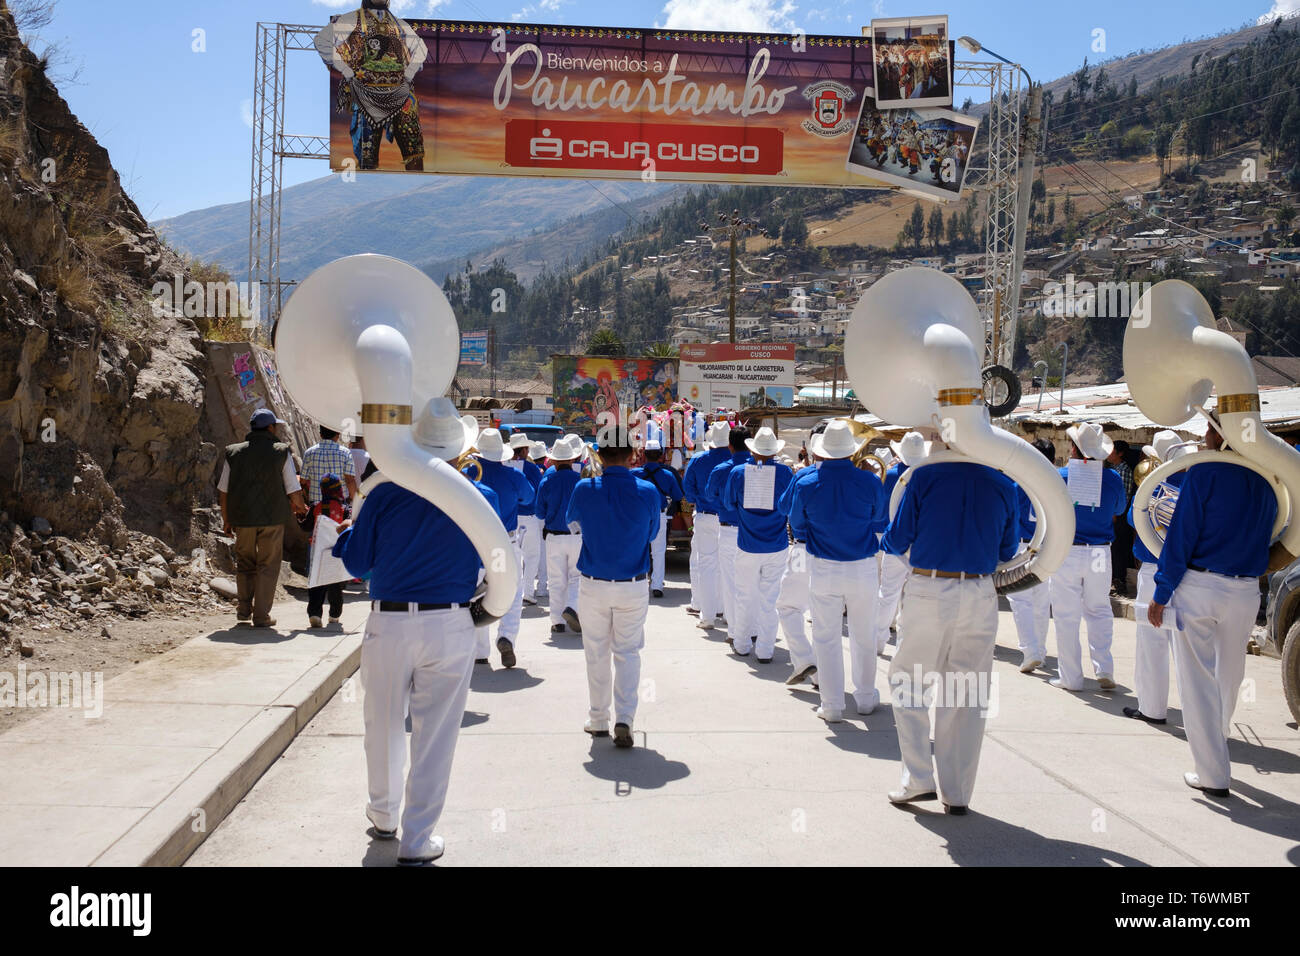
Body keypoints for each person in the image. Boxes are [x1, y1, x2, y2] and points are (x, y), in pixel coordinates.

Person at [332, 397, 502, 864]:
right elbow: (501, 566)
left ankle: (383, 814)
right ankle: (417, 838)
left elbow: (355, 563)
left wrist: (350, 527)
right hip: (450, 621)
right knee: (435, 735)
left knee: (382, 723)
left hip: (388, 620)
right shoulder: (481, 498)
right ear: (459, 450)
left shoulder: (384, 493)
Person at [882, 432, 1019, 814]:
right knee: (968, 690)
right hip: (979, 591)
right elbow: (1008, 549)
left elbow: (898, 538)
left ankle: (918, 777)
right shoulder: (1003, 481)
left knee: (909, 682)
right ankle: (956, 792)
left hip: (930, 585)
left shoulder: (923, 477)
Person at [1147, 412, 1276, 797]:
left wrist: (1161, 591)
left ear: (1221, 436)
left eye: (1209, 429)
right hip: (1245, 589)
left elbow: (1181, 537)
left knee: (1197, 680)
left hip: (1201, 585)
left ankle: (1213, 773)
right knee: (1230, 673)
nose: (1203, 435)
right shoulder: (1269, 481)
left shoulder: (1203, 474)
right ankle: (1217, 740)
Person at [783, 420, 887, 719]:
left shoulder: (805, 482)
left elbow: (798, 526)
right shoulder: (869, 481)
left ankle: (831, 705)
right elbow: (879, 517)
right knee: (863, 633)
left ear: (822, 452)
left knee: (826, 637)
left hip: (824, 568)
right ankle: (866, 697)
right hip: (863, 567)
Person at [565, 432, 662, 748]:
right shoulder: (648, 491)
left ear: (600, 455)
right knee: (628, 653)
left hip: (594, 583)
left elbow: (572, 524)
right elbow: (651, 533)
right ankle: (625, 719)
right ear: (633, 453)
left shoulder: (583, 488)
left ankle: (598, 719)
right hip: (632, 585)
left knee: (595, 652)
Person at [1049, 423, 1127, 692]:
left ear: (1073, 448)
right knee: (1100, 610)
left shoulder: (1059, 475)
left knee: (1065, 615)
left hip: (1067, 550)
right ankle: (1104, 668)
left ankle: (1070, 677)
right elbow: (1119, 510)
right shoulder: (1114, 479)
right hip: (1100, 551)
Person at [1123, 431, 1194, 725]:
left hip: (1154, 570)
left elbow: (1131, 520)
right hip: (1190, 576)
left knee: (1152, 641)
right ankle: (1196, 716)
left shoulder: (1153, 487)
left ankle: (1152, 708)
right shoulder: (1194, 487)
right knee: (1187, 649)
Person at [218, 408, 308, 628]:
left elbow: (224, 490)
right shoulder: (281, 451)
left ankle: (243, 610)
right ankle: (261, 615)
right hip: (272, 519)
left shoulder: (233, 452)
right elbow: (292, 488)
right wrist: (300, 508)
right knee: (268, 565)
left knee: (245, 563)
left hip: (243, 518)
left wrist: (226, 519)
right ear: (270, 428)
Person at [464, 428, 535, 668]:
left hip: (476, 543)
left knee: (475, 593)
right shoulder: (514, 475)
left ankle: (480, 651)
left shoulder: (466, 473)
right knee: (514, 592)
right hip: (508, 541)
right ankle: (506, 637)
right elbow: (528, 498)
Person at [722, 427, 795, 661]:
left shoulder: (738, 472)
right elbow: (790, 507)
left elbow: (728, 503)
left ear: (753, 451)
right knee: (769, 599)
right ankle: (765, 650)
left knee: (744, 596)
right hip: (777, 545)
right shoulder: (786, 473)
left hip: (747, 544)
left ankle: (742, 644)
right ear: (775, 451)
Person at [1007, 438, 1058, 674]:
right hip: (1048, 546)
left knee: (1020, 601)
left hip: (1023, 547)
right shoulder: (1057, 483)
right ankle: (1041, 651)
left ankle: (1030, 651)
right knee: (1040, 601)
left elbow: (1010, 517)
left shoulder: (1019, 484)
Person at [875, 431, 929, 655]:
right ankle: (905, 646)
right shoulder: (928, 477)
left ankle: (877, 641)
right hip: (920, 546)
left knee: (887, 595)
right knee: (914, 599)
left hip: (894, 543)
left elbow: (878, 510)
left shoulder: (886, 475)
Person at [682, 422, 732, 630]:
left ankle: (707, 615)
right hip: (730, 519)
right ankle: (728, 614)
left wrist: (700, 499)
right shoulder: (735, 461)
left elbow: (688, 490)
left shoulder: (697, 460)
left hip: (704, 516)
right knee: (728, 569)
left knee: (706, 566)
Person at [706, 426, 752, 637]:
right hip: (754, 531)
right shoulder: (764, 469)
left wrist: (724, 507)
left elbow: (709, 495)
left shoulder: (721, 469)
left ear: (730, 446)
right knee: (754, 585)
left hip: (728, 530)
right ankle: (753, 629)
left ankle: (735, 633)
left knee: (731, 583)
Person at [536, 435, 584, 634]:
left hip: (554, 536)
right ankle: (572, 606)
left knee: (556, 580)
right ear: (572, 459)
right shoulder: (580, 480)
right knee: (577, 577)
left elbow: (539, 512)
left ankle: (557, 621)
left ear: (553, 460)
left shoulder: (546, 480)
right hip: (577, 535)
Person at [633, 439, 685, 599]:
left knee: (639, 550)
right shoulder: (668, 474)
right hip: (660, 515)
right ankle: (657, 586)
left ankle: (638, 584)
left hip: (639, 516)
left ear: (644, 455)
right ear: (661, 455)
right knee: (659, 551)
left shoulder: (634, 474)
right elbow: (678, 495)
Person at [306, 473, 350, 629]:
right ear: (338, 489)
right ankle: (334, 615)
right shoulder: (344, 508)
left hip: (317, 550)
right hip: (336, 551)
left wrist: (298, 516)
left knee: (316, 582)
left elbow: (306, 527)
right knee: (335, 585)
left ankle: (315, 614)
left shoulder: (315, 506)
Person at [511, 434, 545, 607]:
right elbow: (537, 491)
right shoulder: (531, 468)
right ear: (524, 450)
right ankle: (528, 592)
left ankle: (512, 591)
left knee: (513, 556)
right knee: (532, 556)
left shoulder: (506, 465)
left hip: (510, 517)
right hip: (528, 516)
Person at [302, 425, 359, 505]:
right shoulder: (345, 453)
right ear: (338, 434)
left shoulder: (308, 453)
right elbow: (350, 480)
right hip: (339, 505)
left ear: (320, 434)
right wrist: (355, 501)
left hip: (316, 505)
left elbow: (303, 481)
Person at [1109, 439, 1136, 594]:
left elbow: (1124, 496)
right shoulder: (1113, 468)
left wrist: (1113, 514)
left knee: (1118, 550)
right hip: (1114, 516)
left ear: (1120, 454)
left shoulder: (1123, 470)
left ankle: (1119, 581)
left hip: (1119, 517)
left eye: (1112, 451)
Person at [528, 441, 551, 599]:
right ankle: (542, 586)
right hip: (538, 514)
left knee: (526, 555)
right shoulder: (544, 471)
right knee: (540, 553)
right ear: (544, 457)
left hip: (527, 514)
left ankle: (527, 587)